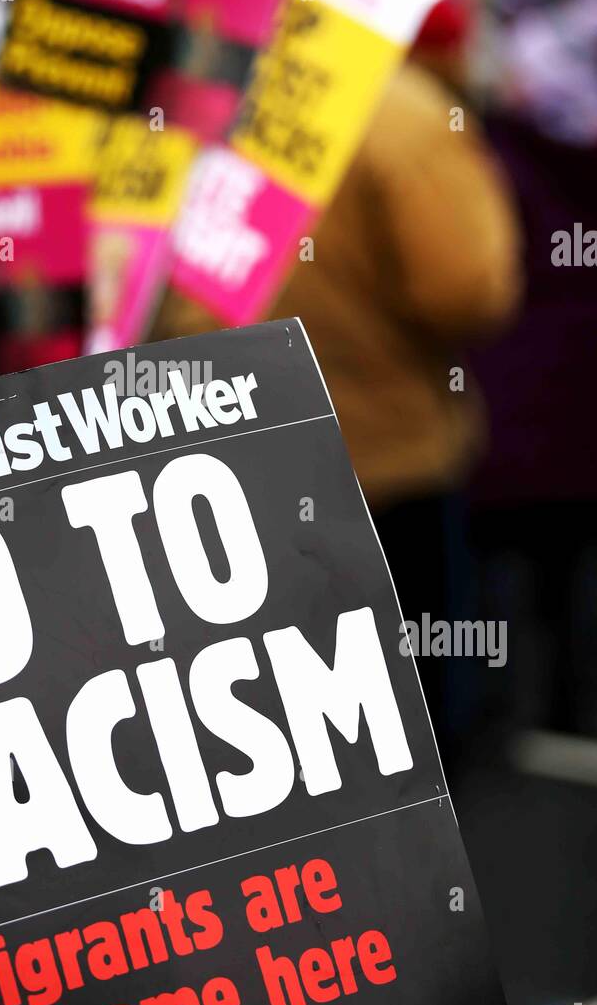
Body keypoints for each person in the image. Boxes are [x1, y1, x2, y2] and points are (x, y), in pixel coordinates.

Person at [152, 49, 523, 751]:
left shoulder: (182, 98)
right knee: (409, 730)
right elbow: (467, 288)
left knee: (254, 733)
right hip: (380, 468)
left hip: (210, 473)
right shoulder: (400, 112)